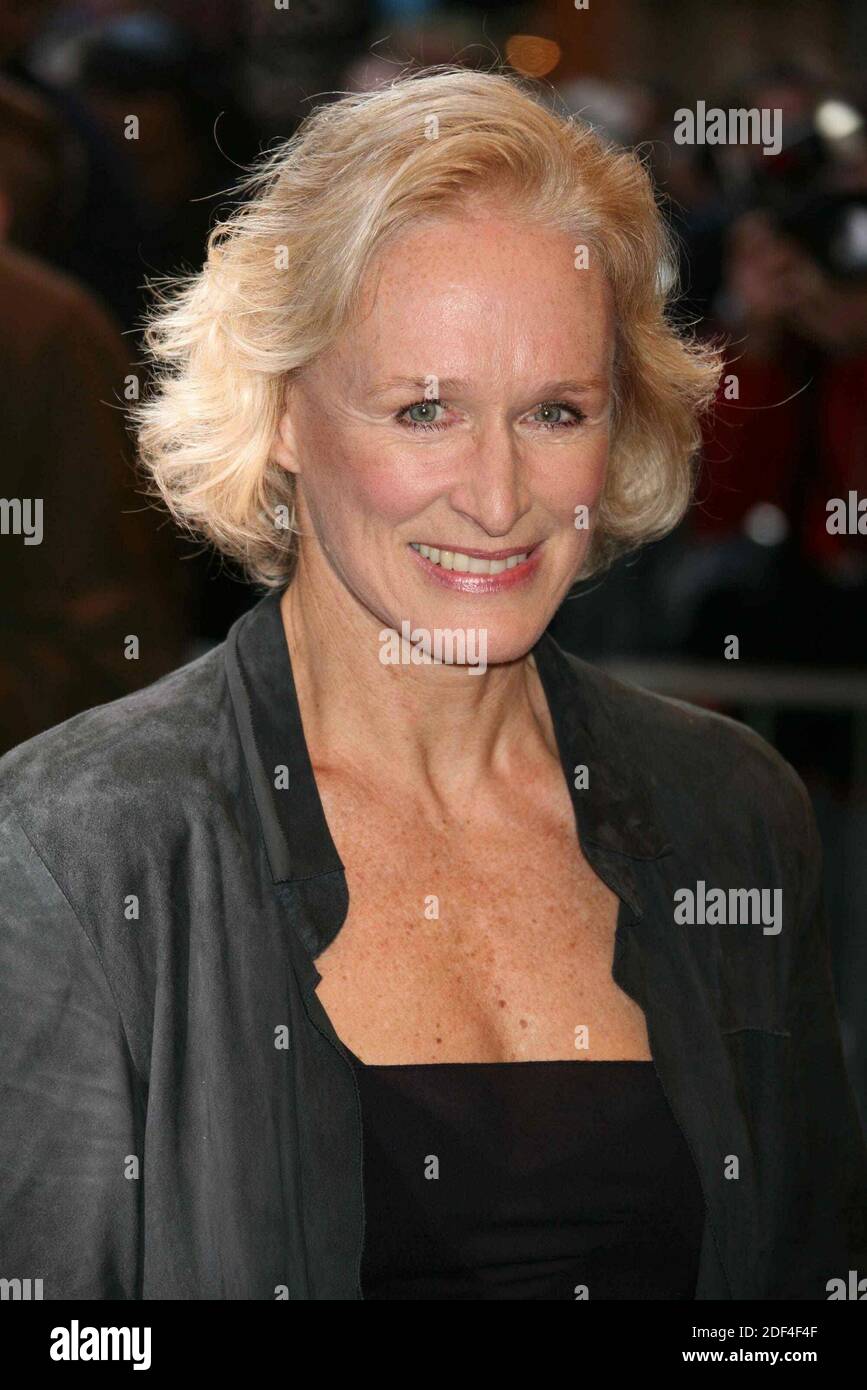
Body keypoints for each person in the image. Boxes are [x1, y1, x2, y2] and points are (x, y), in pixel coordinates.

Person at [1, 66, 865, 1301]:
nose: (500, 495)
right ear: (285, 412)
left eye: (556, 410)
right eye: (422, 410)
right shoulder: (72, 853)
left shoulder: (734, 811)